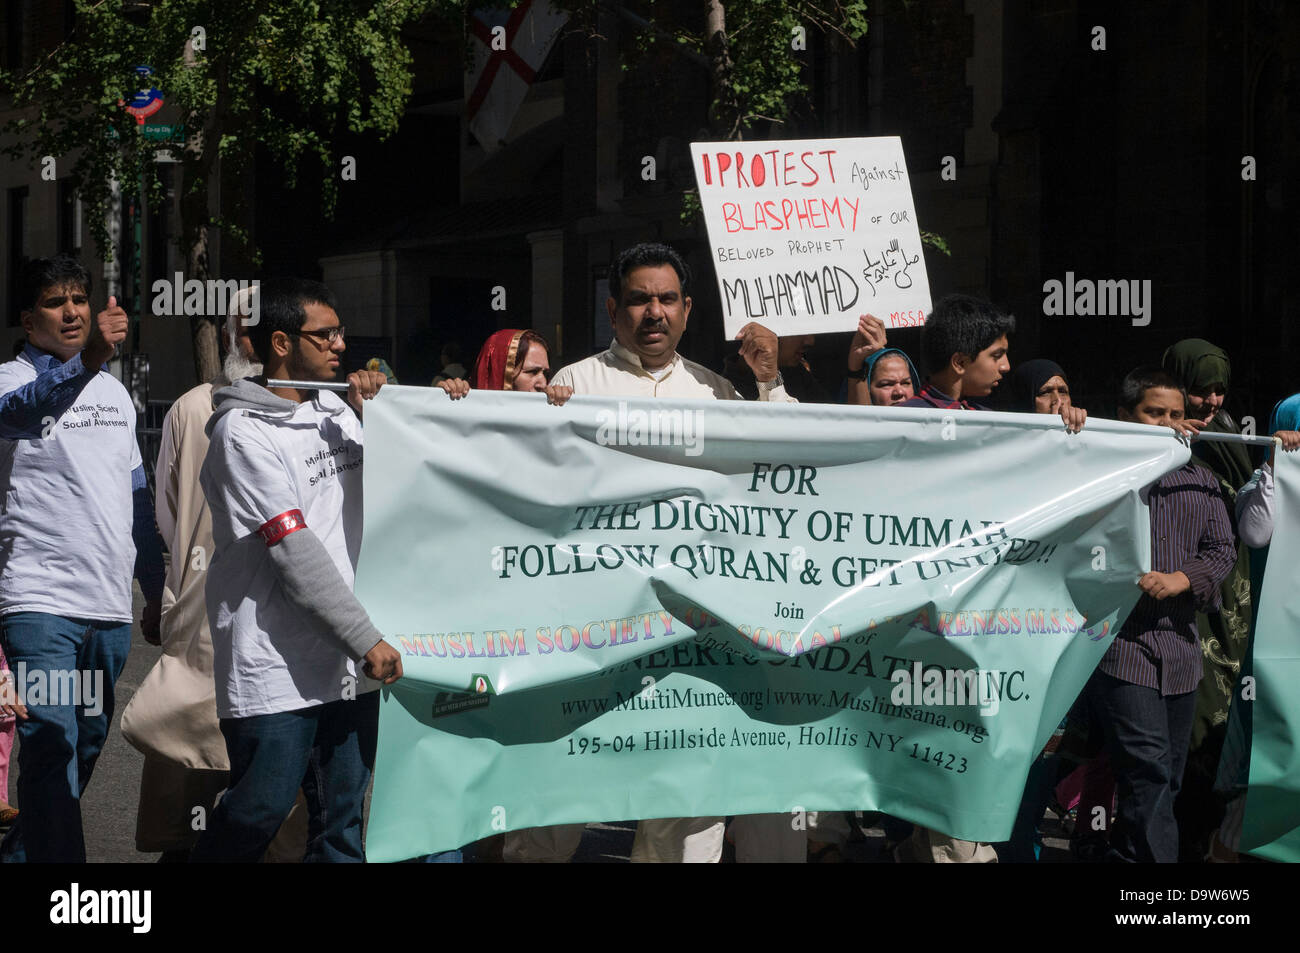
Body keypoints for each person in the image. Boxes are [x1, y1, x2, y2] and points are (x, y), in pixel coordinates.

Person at [525, 241, 796, 864]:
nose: (655, 312)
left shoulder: (720, 390)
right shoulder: (574, 384)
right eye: (640, 299)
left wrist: (769, 382)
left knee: (686, 795)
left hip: (693, 628)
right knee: (561, 788)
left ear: (688, 308)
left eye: (667, 299)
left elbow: (792, 458)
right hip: (596, 624)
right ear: (614, 309)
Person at [190, 278, 405, 863]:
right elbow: (295, 549)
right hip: (277, 660)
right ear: (281, 343)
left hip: (349, 662)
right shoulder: (243, 433)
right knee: (259, 808)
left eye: (341, 332)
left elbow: (403, 494)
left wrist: (389, 419)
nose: (341, 344)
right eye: (325, 334)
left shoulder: (338, 408)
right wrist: (366, 638)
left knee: (342, 827)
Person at [120, 288, 309, 862]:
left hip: (221, 608)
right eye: (239, 326)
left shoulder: (206, 406)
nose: (242, 337)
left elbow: (164, 514)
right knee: (238, 791)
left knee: (213, 788)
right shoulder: (196, 408)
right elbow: (169, 517)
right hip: (218, 614)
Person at [0, 255, 165, 863]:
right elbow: (29, 411)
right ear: (28, 317)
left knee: (87, 742)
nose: (71, 311)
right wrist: (89, 358)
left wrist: (155, 589)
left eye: (79, 298)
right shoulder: (6, 380)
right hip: (38, 604)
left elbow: (138, 500)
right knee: (51, 739)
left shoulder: (116, 394)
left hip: (108, 609)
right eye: (54, 301)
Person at [1085, 366, 1237, 863]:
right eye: (1155, 413)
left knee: (1164, 778)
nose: (1170, 423)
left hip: (1181, 650)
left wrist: (1183, 578)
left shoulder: (1201, 478)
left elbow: (1222, 548)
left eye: (1177, 414)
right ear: (1125, 416)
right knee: (1147, 772)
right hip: (1122, 645)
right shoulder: (1099, 472)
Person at [1160, 339, 1257, 860]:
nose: (1212, 401)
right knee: (1187, 719)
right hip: (1174, 601)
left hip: (1230, 599)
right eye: (1201, 391)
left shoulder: (1227, 434)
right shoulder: (1152, 433)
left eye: (1220, 390)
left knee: (1219, 724)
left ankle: (1205, 841)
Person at [1210, 395, 1300, 861]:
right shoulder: (1263, 483)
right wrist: (1275, 466)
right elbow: (1256, 533)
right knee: (1264, 766)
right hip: (1279, 644)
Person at [725, 332, 831, 402]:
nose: (810, 340)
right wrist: (768, 379)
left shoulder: (797, 375)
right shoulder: (720, 388)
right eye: (798, 329)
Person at [474, 328, 552, 392]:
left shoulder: (551, 406)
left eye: (545, 374)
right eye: (532, 372)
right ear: (500, 372)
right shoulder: (466, 407)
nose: (543, 384)